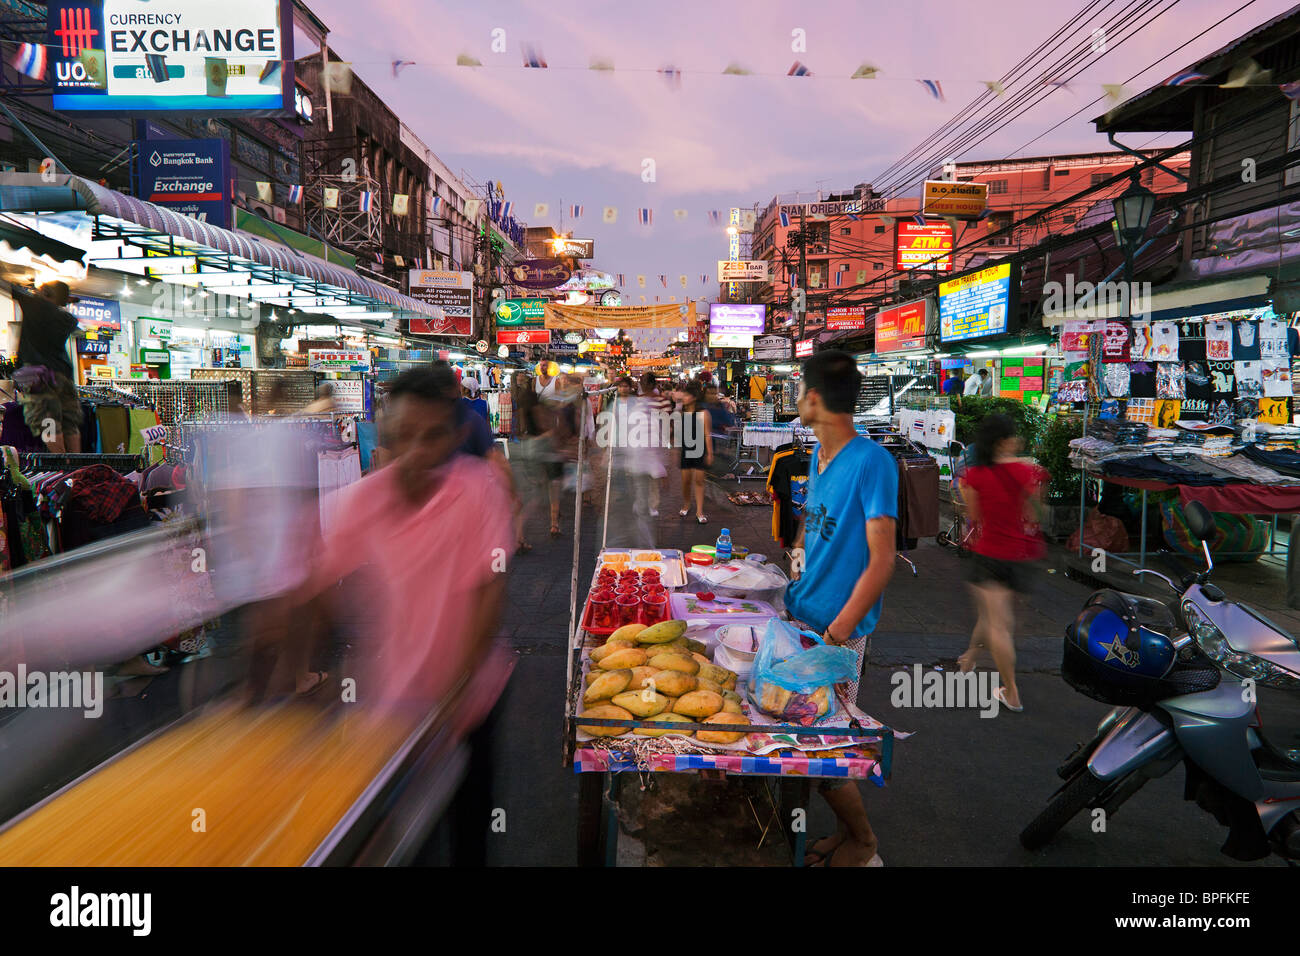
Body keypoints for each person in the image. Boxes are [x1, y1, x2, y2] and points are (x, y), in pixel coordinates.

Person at [293, 366, 514, 864]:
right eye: (406, 434)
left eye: (433, 435)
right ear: (386, 432)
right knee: (394, 842)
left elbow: (488, 596)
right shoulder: (363, 500)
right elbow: (314, 582)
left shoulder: (479, 489)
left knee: (468, 833)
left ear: (457, 435)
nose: (419, 450)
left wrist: (452, 699)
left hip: (470, 700)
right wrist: (299, 671)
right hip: (391, 703)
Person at [784, 349, 897, 868]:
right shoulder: (818, 456)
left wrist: (835, 636)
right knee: (802, 737)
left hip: (837, 634)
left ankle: (865, 843)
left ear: (812, 397)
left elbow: (882, 563)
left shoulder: (872, 461)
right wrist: (797, 565)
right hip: (802, 616)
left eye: (799, 388)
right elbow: (814, 523)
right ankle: (839, 832)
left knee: (824, 746)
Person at [956, 413, 1048, 713]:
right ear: (1006, 441)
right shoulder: (1030, 472)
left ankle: (1011, 692)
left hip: (989, 554)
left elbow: (976, 517)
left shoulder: (974, 476)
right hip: (1020, 555)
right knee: (995, 617)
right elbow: (1034, 515)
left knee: (997, 624)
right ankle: (969, 658)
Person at [8, 281, 81, 452]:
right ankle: (77, 466)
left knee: (47, 422)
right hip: (64, 377)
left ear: (47, 293)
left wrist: (31, 288)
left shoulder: (34, 305)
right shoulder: (68, 319)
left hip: (40, 378)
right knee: (70, 423)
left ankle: (61, 468)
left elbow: (14, 288)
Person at [673, 379, 712, 523]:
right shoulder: (681, 412)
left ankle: (700, 512)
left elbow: (707, 434)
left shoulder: (703, 413)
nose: (684, 397)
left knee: (699, 480)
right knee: (686, 481)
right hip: (685, 449)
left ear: (694, 397)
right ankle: (686, 504)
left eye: (687, 395)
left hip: (700, 449)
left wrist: (710, 453)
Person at [639, 372, 672, 517]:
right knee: (641, 475)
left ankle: (653, 505)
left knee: (653, 476)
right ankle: (640, 503)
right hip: (639, 442)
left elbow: (667, 421)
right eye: (642, 382)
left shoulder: (662, 401)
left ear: (652, 384)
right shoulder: (638, 400)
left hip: (655, 442)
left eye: (646, 383)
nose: (644, 385)